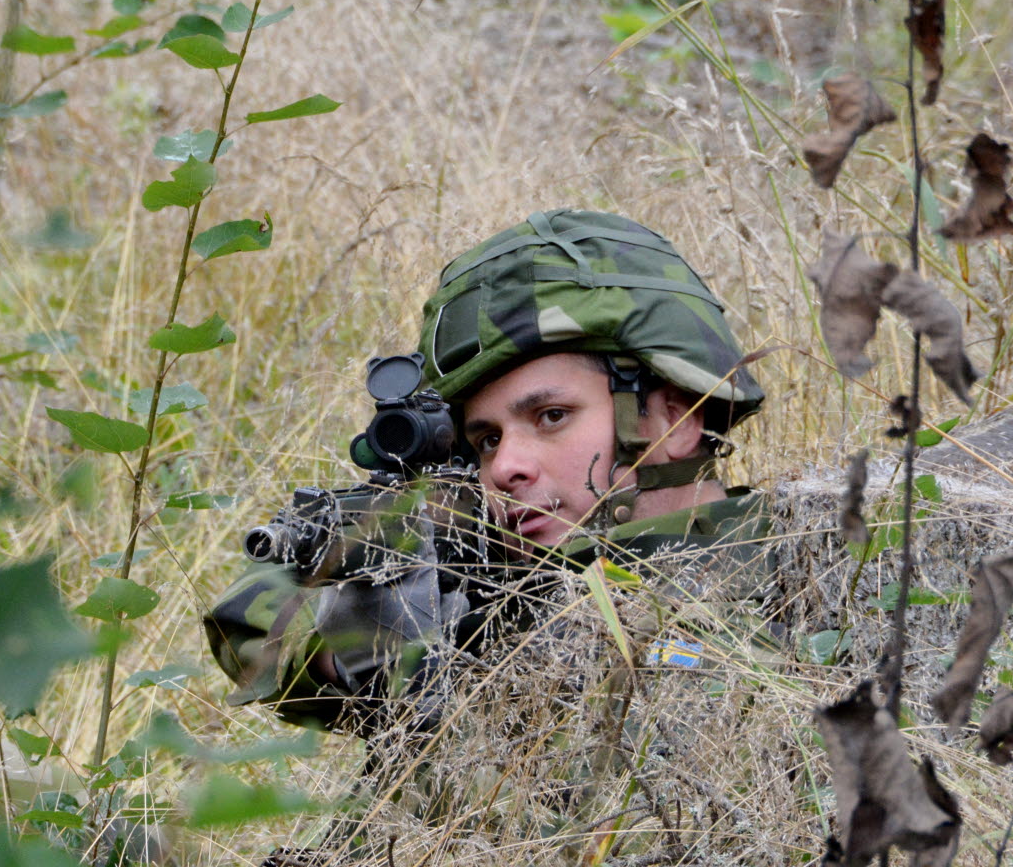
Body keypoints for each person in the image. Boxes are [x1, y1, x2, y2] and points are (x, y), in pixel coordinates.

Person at [203, 208, 772, 732]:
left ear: (676, 417)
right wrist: (366, 649)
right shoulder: (496, 599)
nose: (505, 468)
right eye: (486, 440)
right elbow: (245, 621)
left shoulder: (794, 577)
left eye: (551, 416)